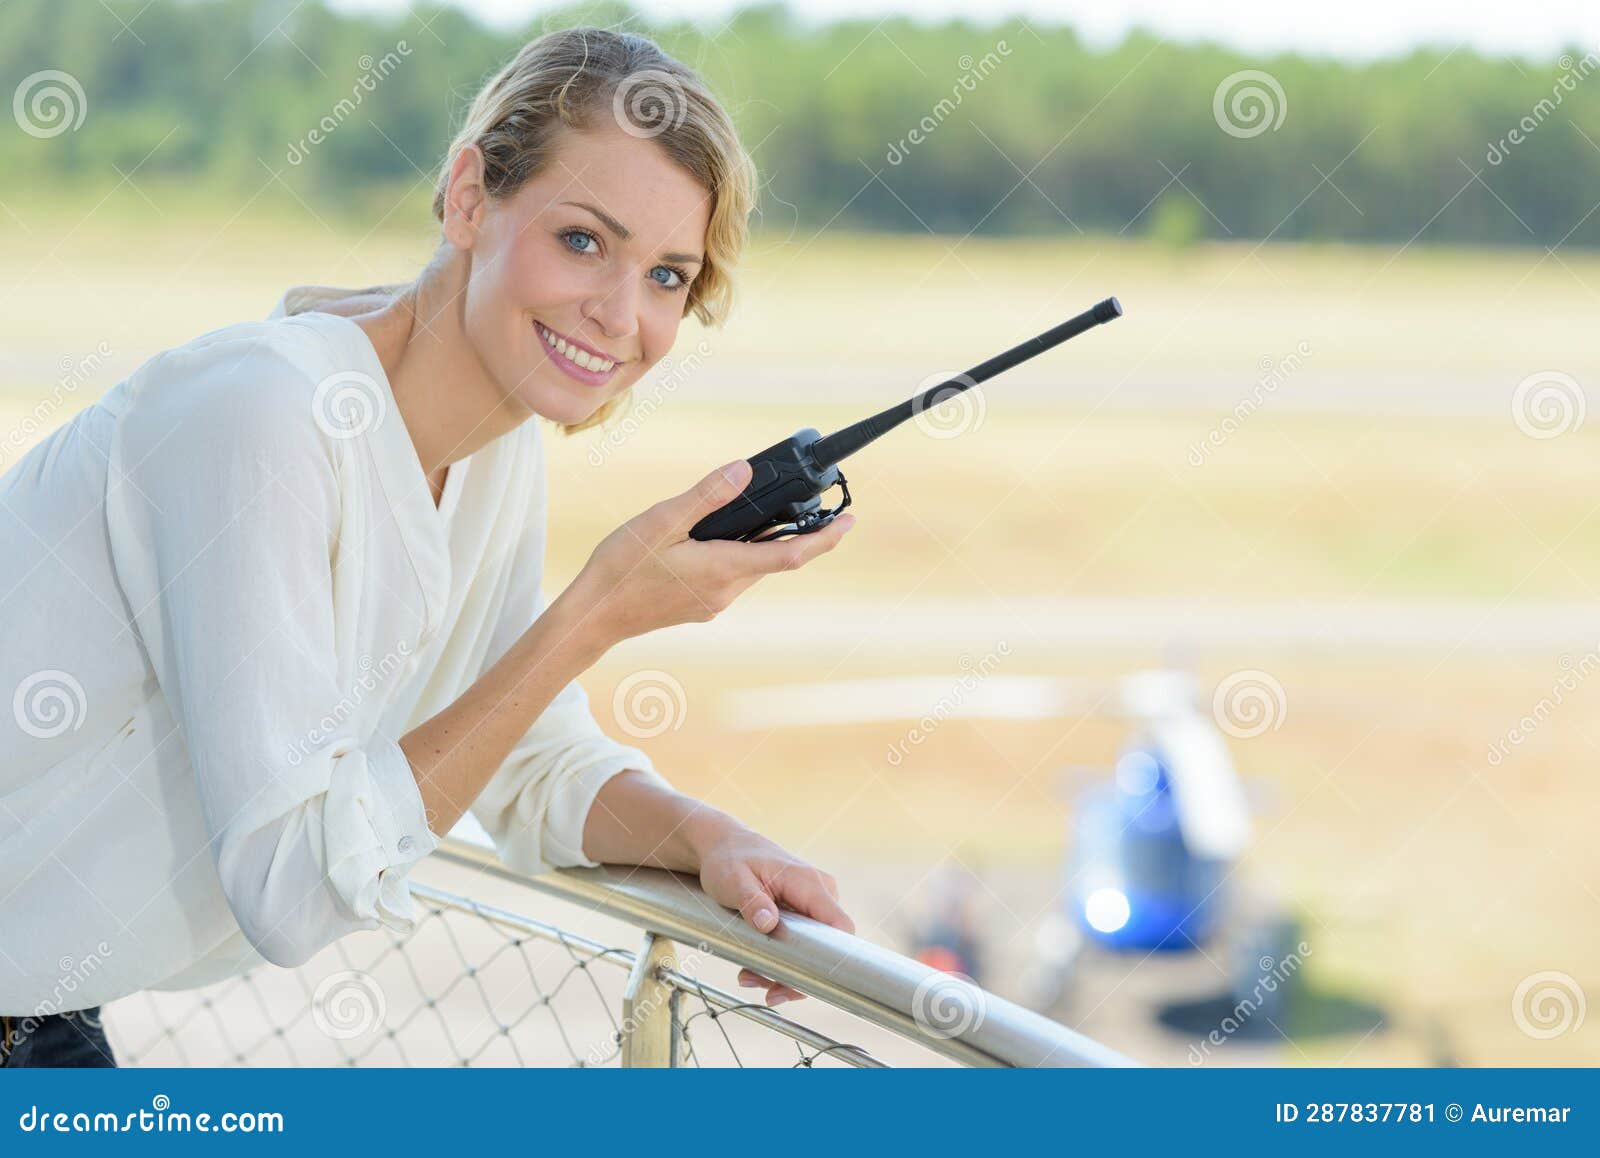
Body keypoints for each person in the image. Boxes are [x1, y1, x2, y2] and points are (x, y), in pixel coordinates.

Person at [0, 26, 856, 1067]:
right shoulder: (266, 415)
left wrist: (710, 840)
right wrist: (594, 613)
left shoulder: (495, 455)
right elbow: (293, 885)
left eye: (669, 275)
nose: (621, 314)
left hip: (44, 1008)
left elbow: (520, 753)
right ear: (466, 197)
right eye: (583, 240)